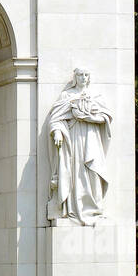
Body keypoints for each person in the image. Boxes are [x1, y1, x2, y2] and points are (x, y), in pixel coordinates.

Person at [45, 68, 114, 225]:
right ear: (75, 77)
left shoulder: (96, 96)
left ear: (89, 77)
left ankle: (95, 209)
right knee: (75, 172)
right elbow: (55, 118)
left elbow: (106, 117)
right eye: (80, 75)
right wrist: (57, 132)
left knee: (93, 170)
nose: (83, 77)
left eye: (86, 75)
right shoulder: (66, 95)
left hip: (92, 137)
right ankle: (73, 209)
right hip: (74, 139)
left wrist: (89, 117)